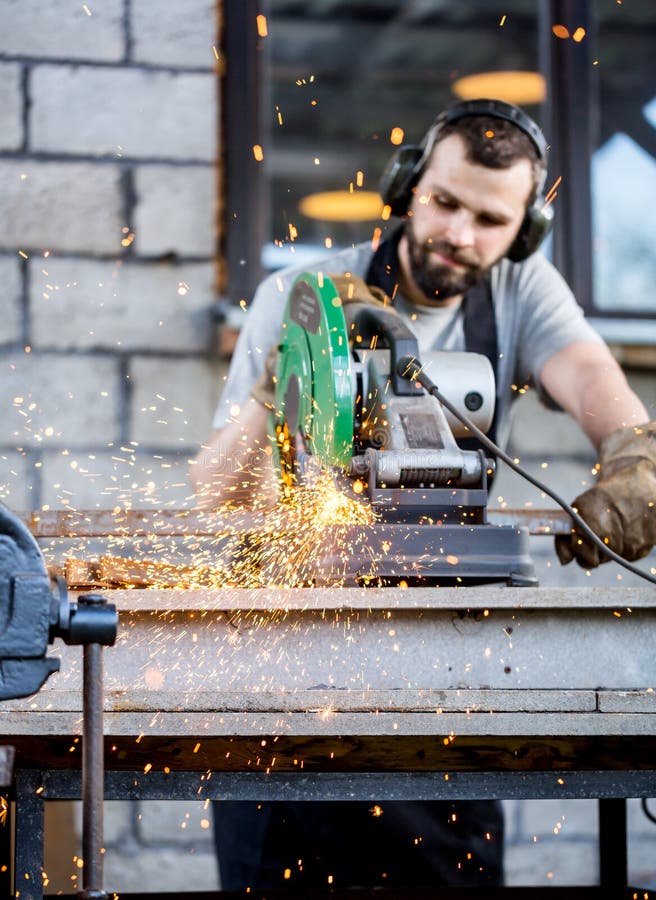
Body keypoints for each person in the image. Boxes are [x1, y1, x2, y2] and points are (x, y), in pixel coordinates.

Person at [191, 99, 655, 890]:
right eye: (444, 203)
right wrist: (287, 381)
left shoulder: (519, 290)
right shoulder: (300, 295)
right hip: (291, 677)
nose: (461, 235)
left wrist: (636, 469)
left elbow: (609, 407)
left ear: (525, 230)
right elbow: (216, 497)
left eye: (490, 218)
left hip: (445, 683)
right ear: (408, 188)